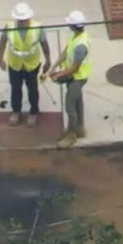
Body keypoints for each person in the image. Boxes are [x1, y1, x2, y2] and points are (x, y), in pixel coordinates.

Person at [0, 3, 51, 127]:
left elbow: (44, 45)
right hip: (15, 64)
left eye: (24, 20)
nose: (22, 22)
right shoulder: (9, 27)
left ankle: (33, 112)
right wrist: (0, 59)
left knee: (32, 89)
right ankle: (16, 111)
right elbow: (2, 42)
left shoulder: (37, 27)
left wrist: (48, 60)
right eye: (20, 20)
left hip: (32, 65)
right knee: (15, 89)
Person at [47, 10, 91, 148]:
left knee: (70, 105)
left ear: (72, 25)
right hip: (74, 75)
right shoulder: (76, 37)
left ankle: (71, 135)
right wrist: (54, 67)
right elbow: (65, 52)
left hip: (78, 77)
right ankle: (80, 128)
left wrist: (59, 75)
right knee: (78, 101)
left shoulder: (81, 45)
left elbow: (74, 68)